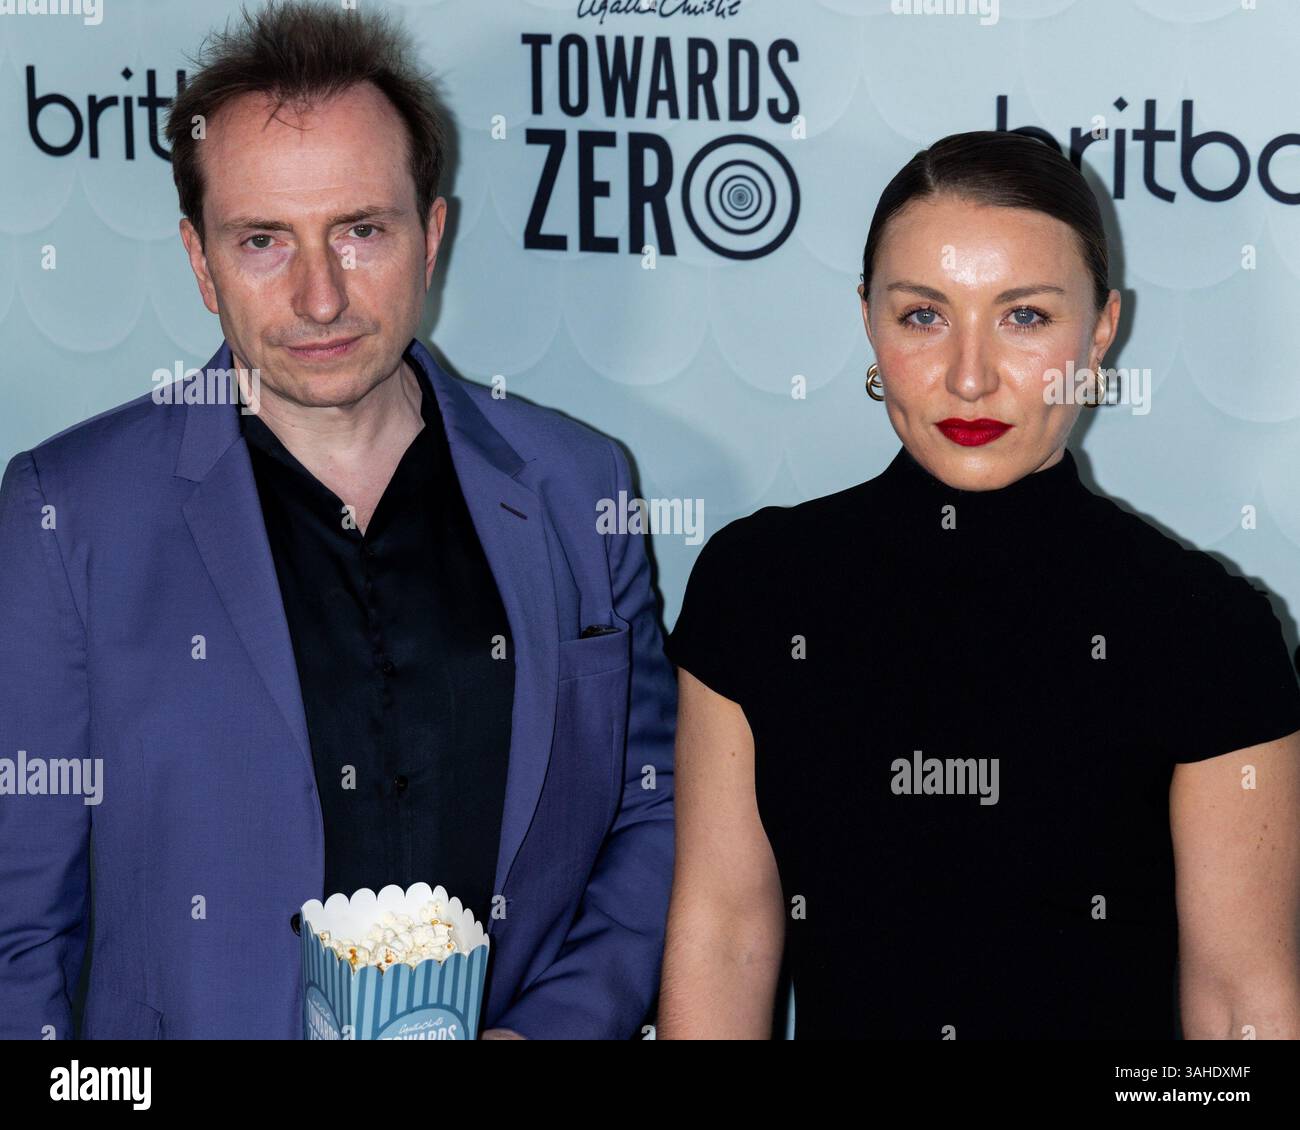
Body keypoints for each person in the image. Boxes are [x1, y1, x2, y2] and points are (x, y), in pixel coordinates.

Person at [0, 0, 675, 1040]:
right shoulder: (68, 510)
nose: (320, 296)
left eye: (360, 230)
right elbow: (19, 926)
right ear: (199, 259)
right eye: (264, 239)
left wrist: (553, 1030)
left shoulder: (578, 485)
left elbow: (648, 810)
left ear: (431, 234)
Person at [658, 130, 1300, 1040]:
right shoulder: (759, 588)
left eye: (1025, 317)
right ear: (869, 319)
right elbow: (723, 936)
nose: (969, 376)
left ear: (1103, 328)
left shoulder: (1205, 631)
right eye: (924, 315)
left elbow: (1243, 1012)